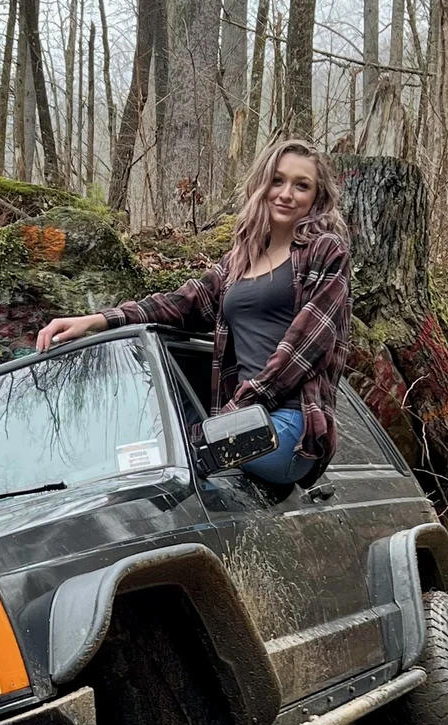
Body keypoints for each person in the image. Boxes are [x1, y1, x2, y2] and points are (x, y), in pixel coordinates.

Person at [35, 139, 352, 486]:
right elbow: (183, 302)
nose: (286, 193)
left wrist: (231, 415)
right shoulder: (239, 260)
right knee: (134, 463)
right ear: (263, 184)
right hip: (241, 422)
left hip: (289, 426)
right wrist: (96, 320)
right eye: (278, 180)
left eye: (301, 185)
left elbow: (303, 349)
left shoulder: (325, 251)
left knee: (172, 465)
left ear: (316, 197)